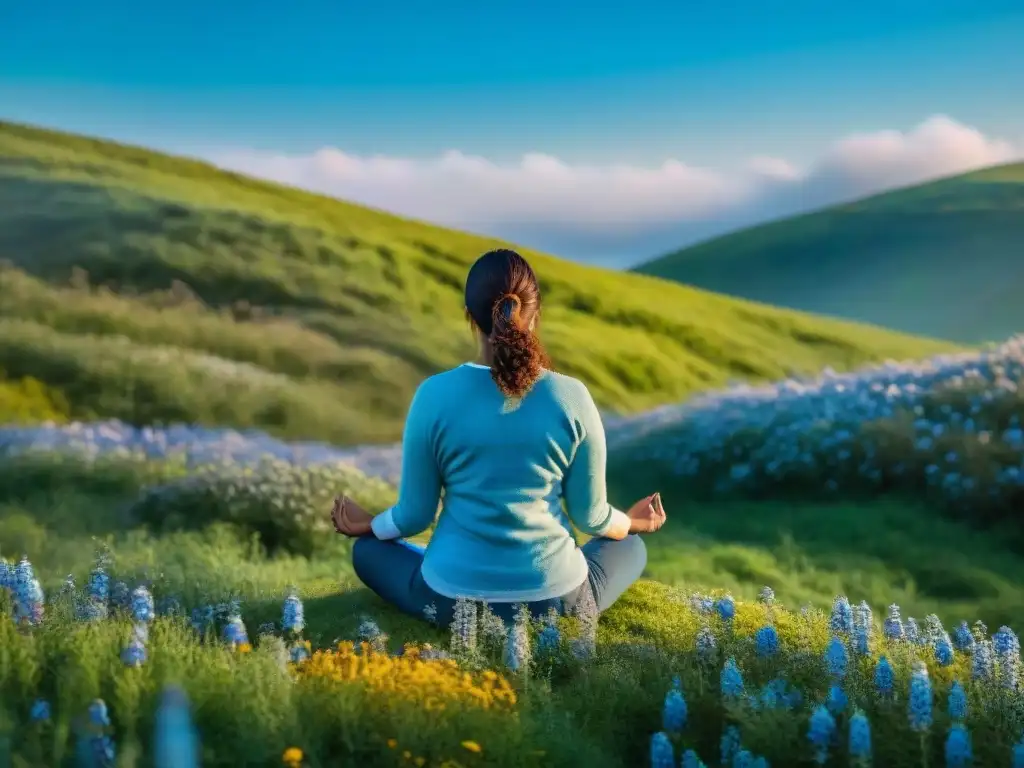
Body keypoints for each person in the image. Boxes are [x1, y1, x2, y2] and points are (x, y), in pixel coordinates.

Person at [332, 248, 666, 628]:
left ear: (469, 318)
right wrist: (634, 523)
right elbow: (592, 516)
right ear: (534, 316)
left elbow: (414, 515)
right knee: (631, 546)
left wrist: (371, 526)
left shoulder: (433, 395)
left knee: (369, 552)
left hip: (450, 600)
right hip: (556, 598)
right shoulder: (572, 396)